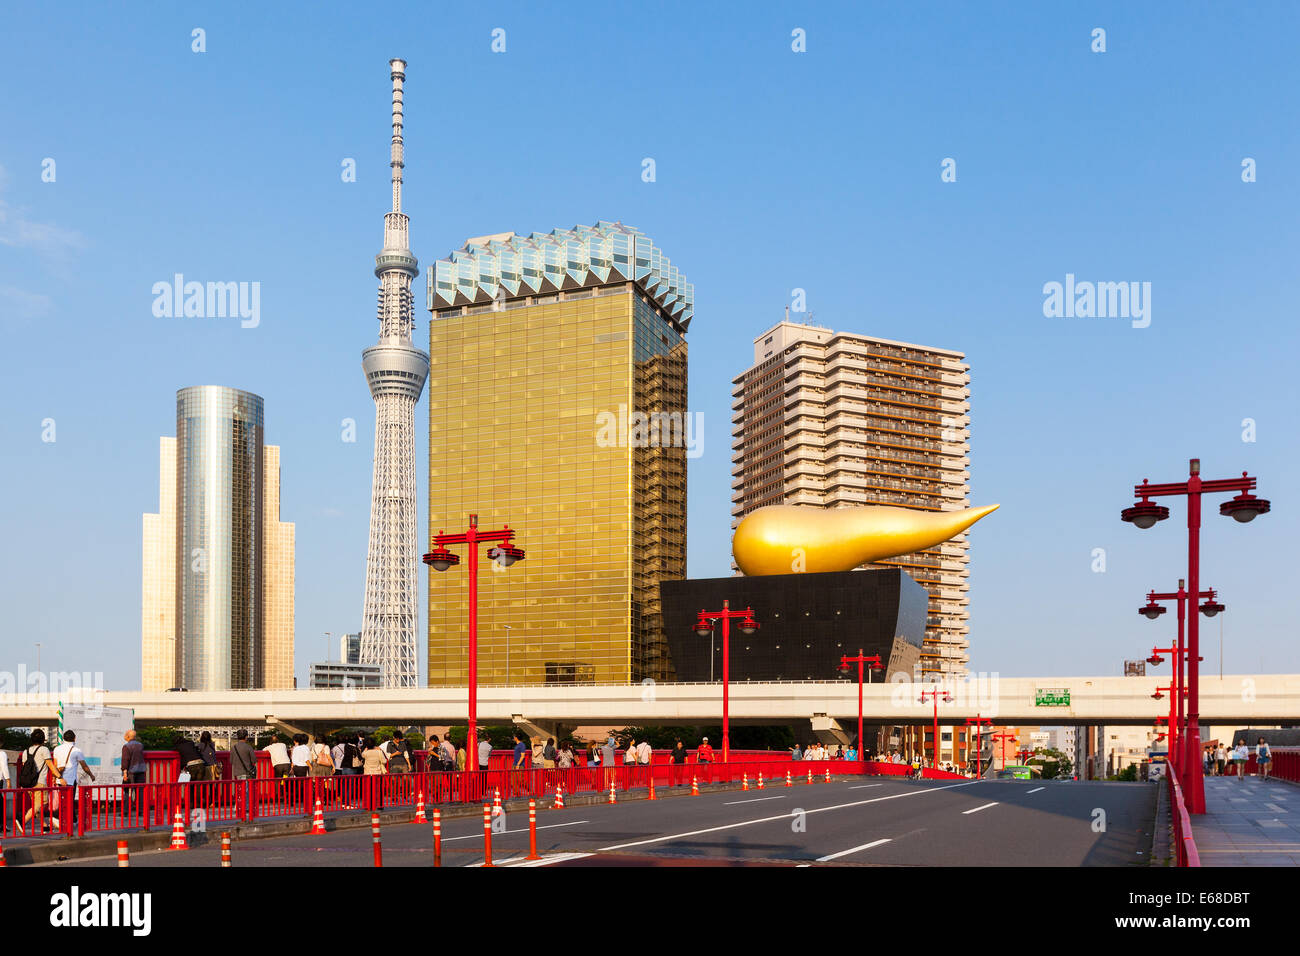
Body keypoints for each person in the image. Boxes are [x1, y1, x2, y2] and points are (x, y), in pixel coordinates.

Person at [52, 731, 95, 833]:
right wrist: (91, 775)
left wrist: (55, 777)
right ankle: (61, 820)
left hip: (60, 779)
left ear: (63, 738)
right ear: (74, 738)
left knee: (64, 801)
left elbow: (55, 764)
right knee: (69, 801)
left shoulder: (57, 749)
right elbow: (84, 766)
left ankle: (72, 821)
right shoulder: (76, 750)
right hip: (70, 780)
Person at [18, 729, 59, 835]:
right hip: (40, 782)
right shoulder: (44, 749)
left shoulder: (26, 752)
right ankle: (22, 821)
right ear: (43, 740)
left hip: (29, 783)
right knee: (41, 804)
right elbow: (50, 765)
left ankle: (45, 827)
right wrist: (59, 777)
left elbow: (24, 769)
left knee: (36, 806)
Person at [121, 730, 148, 818]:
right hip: (141, 770)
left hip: (131, 772)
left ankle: (126, 811)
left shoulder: (126, 746)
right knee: (140, 792)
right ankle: (141, 811)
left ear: (128, 737)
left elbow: (125, 760)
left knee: (128, 791)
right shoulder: (140, 745)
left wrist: (125, 772)